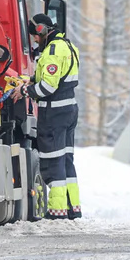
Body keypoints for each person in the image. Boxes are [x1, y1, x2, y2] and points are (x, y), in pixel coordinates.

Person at [28, 12, 81, 219]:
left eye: (35, 35)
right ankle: (72, 208)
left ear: (42, 30)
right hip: (69, 110)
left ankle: (57, 211)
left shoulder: (51, 51)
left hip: (54, 112)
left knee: (52, 162)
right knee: (67, 160)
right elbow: (59, 77)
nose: (35, 40)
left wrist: (27, 92)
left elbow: (49, 86)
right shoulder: (69, 47)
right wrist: (31, 80)